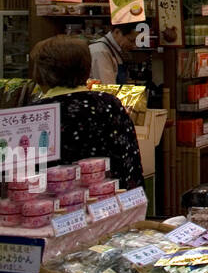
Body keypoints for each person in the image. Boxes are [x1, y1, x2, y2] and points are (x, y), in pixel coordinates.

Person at [31, 35, 144, 191]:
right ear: (86, 68)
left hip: (53, 207)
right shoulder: (109, 103)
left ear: (42, 73)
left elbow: (24, 173)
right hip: (107, 201)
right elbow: (129, 159)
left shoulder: (36, 112)